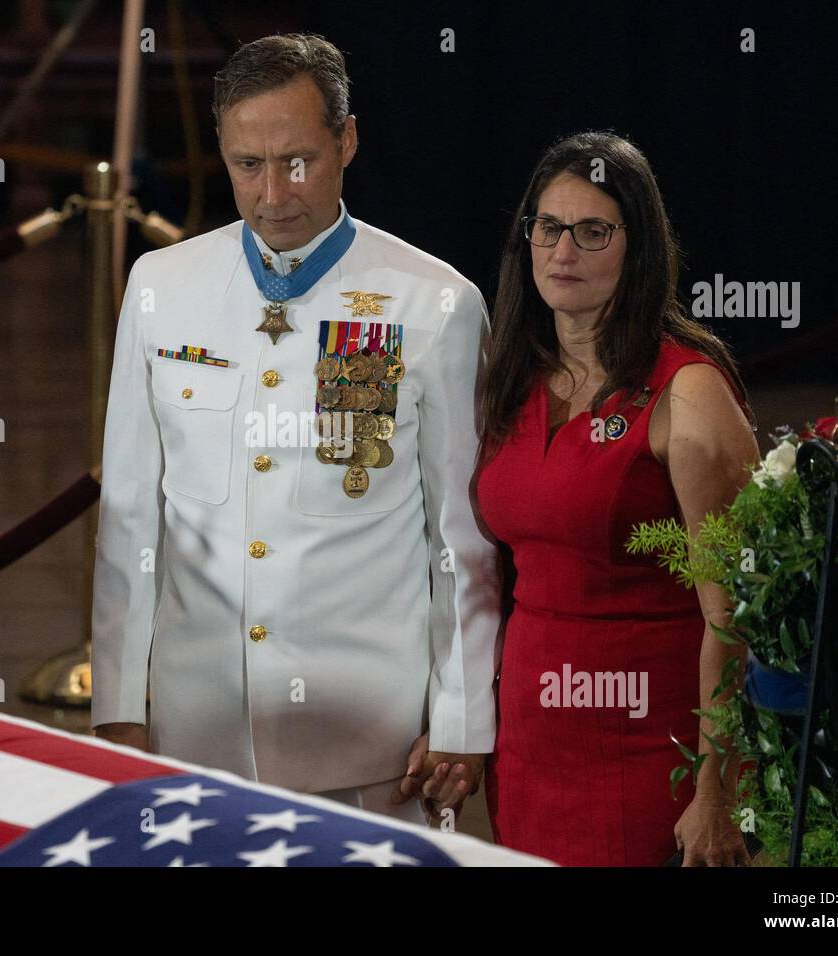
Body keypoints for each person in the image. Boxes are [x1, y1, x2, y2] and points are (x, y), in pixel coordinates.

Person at [89, 33, 501, 824]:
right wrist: (116, 702)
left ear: (347, 140)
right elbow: (131, 518)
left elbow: (461, 538)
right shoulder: (161, 287)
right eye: (249, 164)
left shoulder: (433, 304)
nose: (274, 192)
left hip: (371, 750)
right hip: (198, 732)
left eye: (299, 160)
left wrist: (459, 718)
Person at [476, 131, 760, 865]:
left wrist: (717, 790)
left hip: (650, 757)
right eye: (547, 227)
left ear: (640, 248)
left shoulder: (688, 392)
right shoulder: (511, 380)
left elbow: (738, 618)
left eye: (593, 231)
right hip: (529, 756)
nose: (562, 250)